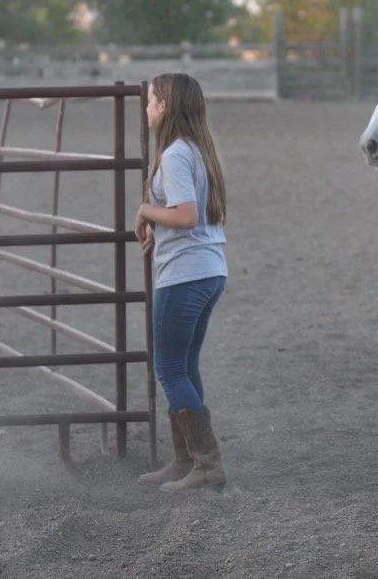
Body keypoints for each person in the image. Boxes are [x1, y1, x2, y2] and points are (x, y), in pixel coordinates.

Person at [134, 73, 229, 491]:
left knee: (170, 368)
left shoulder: (174, 154)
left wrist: (146, 211)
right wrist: (159, 219)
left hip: (184, 274)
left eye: (152, 101)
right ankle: (187, 460)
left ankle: (207, 466)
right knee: (184, 366)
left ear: (165, 107)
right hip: (209, 269)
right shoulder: (197, 149)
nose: (147, 107)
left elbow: (186, 215)